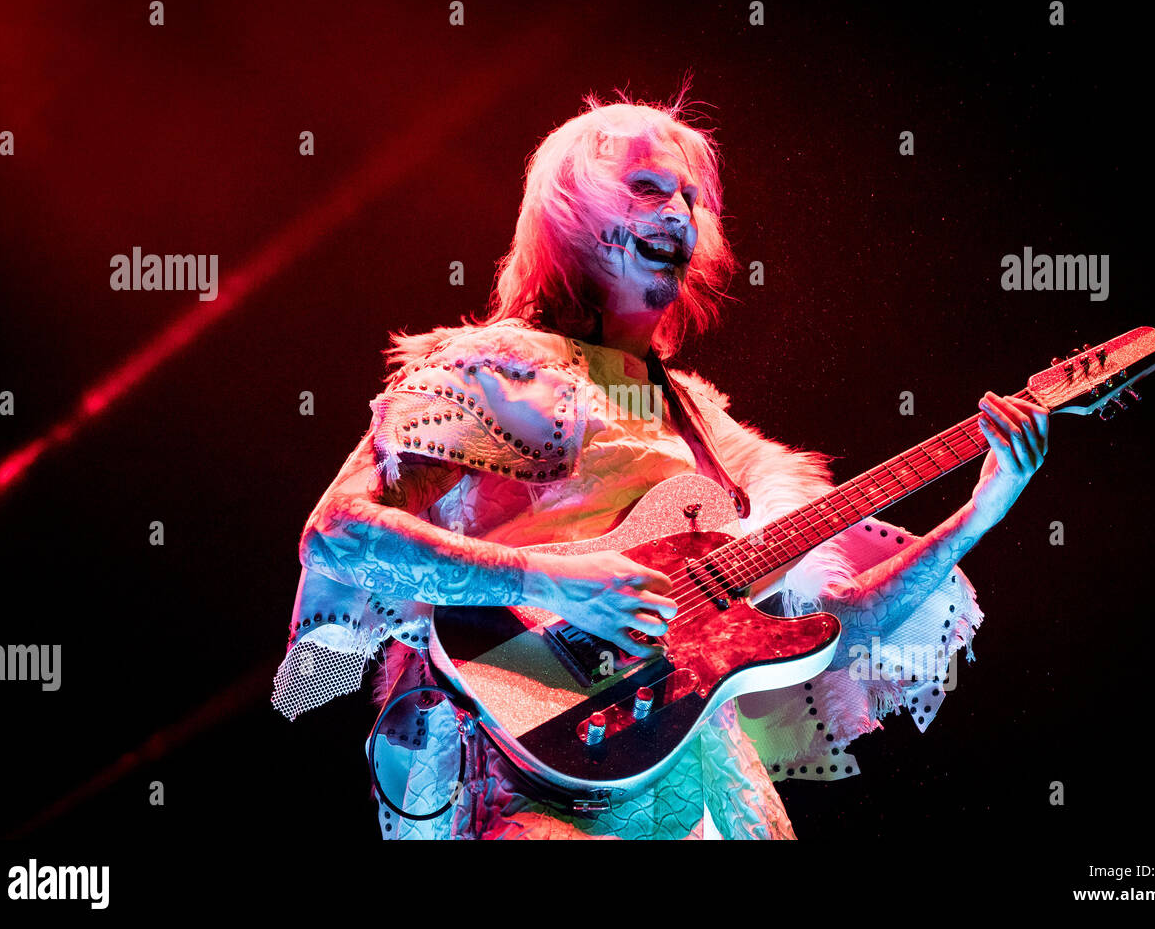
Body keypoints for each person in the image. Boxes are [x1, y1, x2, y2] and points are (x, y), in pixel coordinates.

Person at [270, 92, 1048, 839]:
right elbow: (339, 533)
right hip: (527, 777)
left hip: (706, 784)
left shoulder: (701, 422)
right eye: (645, 189)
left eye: (688, 197)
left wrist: (981, 511)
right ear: (571, 215)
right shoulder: (498, 368)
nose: (676, 213)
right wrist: (549, 580)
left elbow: (831, 626)